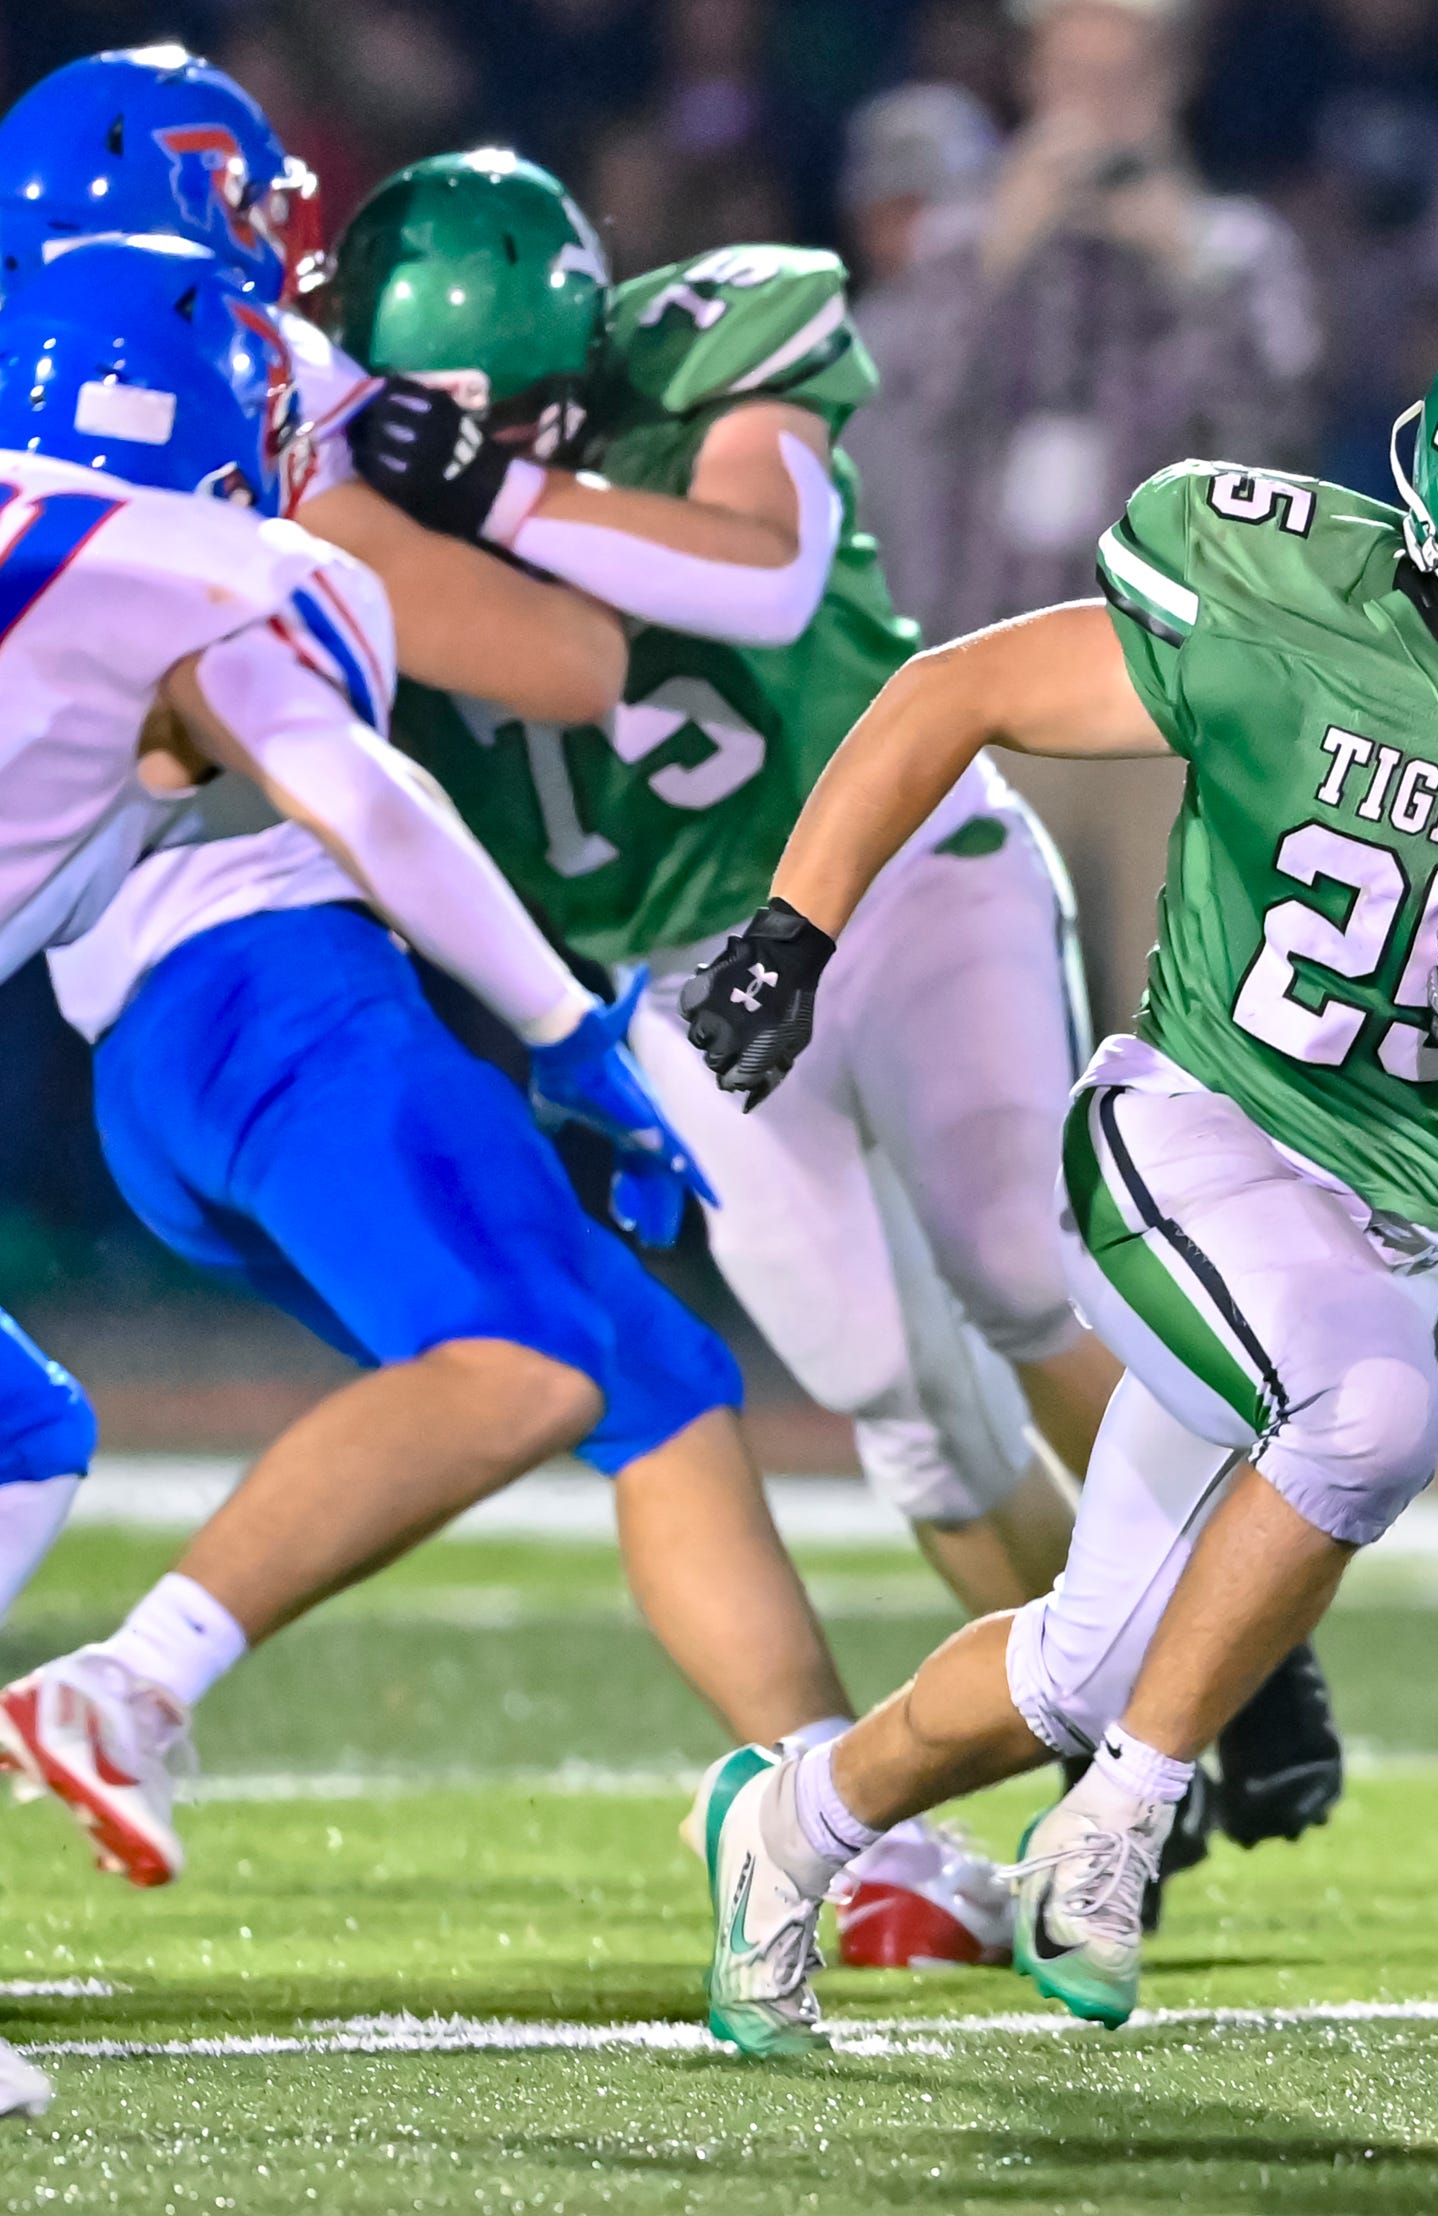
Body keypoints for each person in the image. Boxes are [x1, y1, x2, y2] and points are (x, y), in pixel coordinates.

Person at [676, 298, 1438, 2053]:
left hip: (1391, 1216)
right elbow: (953, 689)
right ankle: (1122, 1823)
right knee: (1373, 1421)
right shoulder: (1288, 603)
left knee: (1076, 1662)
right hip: (1193, 1127)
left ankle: (789, 1824)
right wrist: (794, 930)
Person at [0, 50, 1040, 1966]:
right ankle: (127, 1686)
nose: (276, 254)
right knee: (528, 1370)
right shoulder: (222, 422)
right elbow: (517, 693)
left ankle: (827, 1821)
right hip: (276, 988)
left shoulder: (66, 402)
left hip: (141, 1035)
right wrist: (567, 1029)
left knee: (644, 1379)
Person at [320, 149, 1343, 1950]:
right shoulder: (330, 492)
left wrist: (491, 481)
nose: (504, 448)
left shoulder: (710, 347)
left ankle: (1229, 1668)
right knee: (907, 1411)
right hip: (671, 959)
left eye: (535, 413)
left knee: (1026, 1274)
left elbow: (769, 576)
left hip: (897, 875)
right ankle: (1098, 1720)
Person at [841, 0, 1318, 1029]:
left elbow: (1279, 442)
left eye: (1122, 75)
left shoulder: (1236, 253)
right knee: (987, 1024)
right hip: (996, 691)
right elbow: (902, 410)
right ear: (1031, 77)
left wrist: (1185, 260)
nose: (1095, 103)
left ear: (1171, 80)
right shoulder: (962, 244)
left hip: (1165, 704)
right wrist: (1003, 244)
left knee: (1166, 1025)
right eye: (1074, 73)